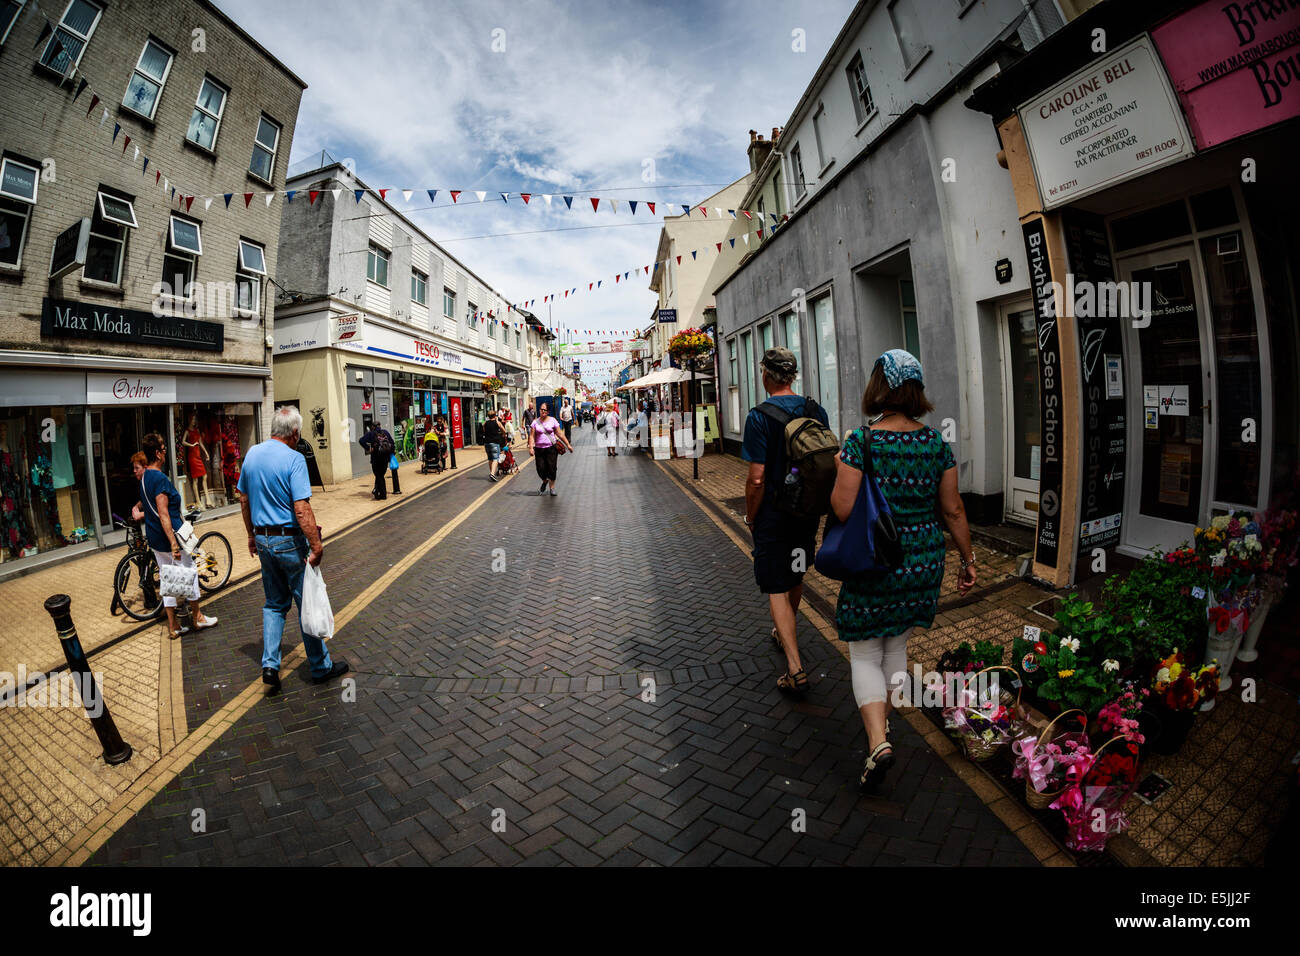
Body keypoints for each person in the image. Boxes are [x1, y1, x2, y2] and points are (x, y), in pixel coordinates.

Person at [828, 349, 975, 791]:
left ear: (880, 388)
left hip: (875, 561)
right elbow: (953, 510)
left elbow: (841, 507)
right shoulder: (935, 443)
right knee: (896, 648)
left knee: (864, 651)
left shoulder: (862, 441)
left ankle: (877, 739)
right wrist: (968, 561)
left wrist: (840, 466)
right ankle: (883, 729)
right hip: (922, 563)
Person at [238, 405, 348, 692]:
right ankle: (320, 666)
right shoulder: (295, 458)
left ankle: (270, 665)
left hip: (262, 539)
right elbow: (301, 508)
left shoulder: (252, 454)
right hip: (289, 541)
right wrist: (316, 544)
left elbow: (244, 500)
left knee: (274, 604)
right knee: (305, 604)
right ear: (295, 433)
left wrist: (251, 535)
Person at [741, 348, 829, 697]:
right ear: (791, 376)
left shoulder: (759, 417)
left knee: (776, 582)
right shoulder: (814, 409)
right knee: (796, 571)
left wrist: (751, 515)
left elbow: (757, 478)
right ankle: (784, 629)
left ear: (766, 375)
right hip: (806, 510)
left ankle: (794, 667)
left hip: (774, 513)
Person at [137, 432, 218, 640]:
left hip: (155, 538)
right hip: (170, 537)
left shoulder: (145, 476)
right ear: (157, 453)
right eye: (164, 449)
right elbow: (164, 513)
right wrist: (174, 543)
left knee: (168, 578)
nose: (166, 452)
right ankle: (197, 617)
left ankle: (173, 626)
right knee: (189, 571)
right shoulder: (160, 478)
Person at [528, 402, 573, 496]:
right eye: (541, 409)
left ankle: (552, 488)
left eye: (545, 410)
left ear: (548, 411)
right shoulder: (535, 422)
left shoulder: (552, 420)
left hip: (551, 448)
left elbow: (560, 434)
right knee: (540, 468)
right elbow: (532, 436)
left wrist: (568, 444)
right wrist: (531, 447)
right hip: (539, 449)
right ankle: (545, 481)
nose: (542, 411)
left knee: (552, 468)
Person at [359, 420, 395, 500]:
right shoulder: (385, 432)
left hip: (376, 458)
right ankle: (376, 491)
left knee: (379, 476)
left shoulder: (371, 434)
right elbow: (392, 443)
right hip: (385, 458)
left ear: (373, 427)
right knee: (380, 475)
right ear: (380, 425)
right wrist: (391, 454)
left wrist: (368, 448)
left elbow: (361, 440)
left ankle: (383, 494)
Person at [182, 413, 210, 509]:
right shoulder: (187, 431)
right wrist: (191, 445)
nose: (194, 421)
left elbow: (200, 442)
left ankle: (208, 499)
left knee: (204, 476)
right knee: (195, 479)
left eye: (195, 419)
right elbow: (183, 441)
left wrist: (206, 453)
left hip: (198, 456)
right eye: (193, 419)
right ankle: (198, 501)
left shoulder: (197, 430)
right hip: (192, 456)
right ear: (190, 420)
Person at [484, 408, 508, 482]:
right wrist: (503, 434)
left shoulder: (485, 423)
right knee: (496, 458)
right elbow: (504, 430)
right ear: (495, 416)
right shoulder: (497, 422)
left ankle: (492, 473)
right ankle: (492, 474)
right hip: (494, 443)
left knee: (490, 458)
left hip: (487, 443)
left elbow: (484, 430)